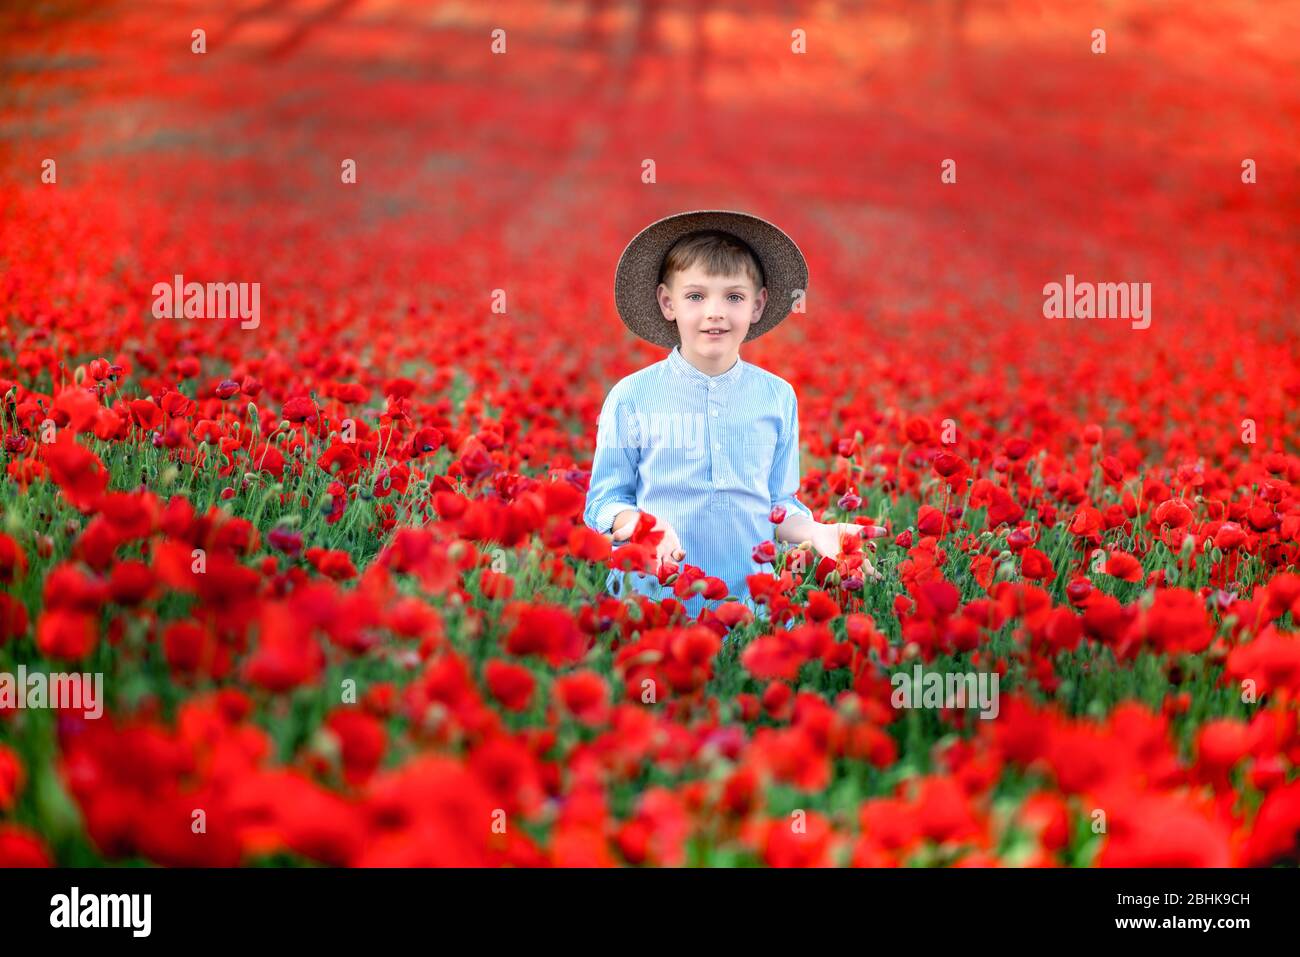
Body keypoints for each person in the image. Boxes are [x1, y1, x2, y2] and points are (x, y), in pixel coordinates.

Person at [583, 209, 879, 621]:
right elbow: (604, 503)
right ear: (668, 302)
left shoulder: (777, 397)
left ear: (757, 306)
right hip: (650, 604)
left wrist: (815, 532)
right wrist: (645, 526)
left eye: (734, 297)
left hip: (750, 608)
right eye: (696, 296)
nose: (716, 311)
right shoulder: (631, 396)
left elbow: (778, 504)